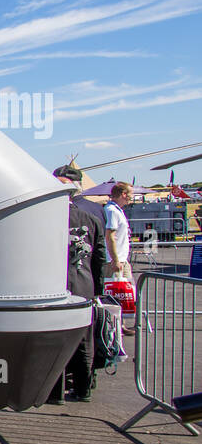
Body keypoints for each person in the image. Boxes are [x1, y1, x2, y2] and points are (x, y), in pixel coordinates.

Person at [48, 166, 107, 404]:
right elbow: (99, 258)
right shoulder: (92, 218)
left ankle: (55, 392)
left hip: (55, 284)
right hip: (84, 283)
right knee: (84, 339)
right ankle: (84, 389)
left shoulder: (48, 218)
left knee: (55, 339)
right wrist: (98, 290)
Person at [104, 181, 134, 333]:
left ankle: (120, 325)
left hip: (121, 259)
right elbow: (110, 236)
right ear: (123, 194)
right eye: (130, 194)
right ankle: (113, 326)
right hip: (115, 260)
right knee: (115, 294)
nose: (131, 197)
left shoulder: (117, 210)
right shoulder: (111, 211)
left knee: (124, 293)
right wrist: (115, 259)